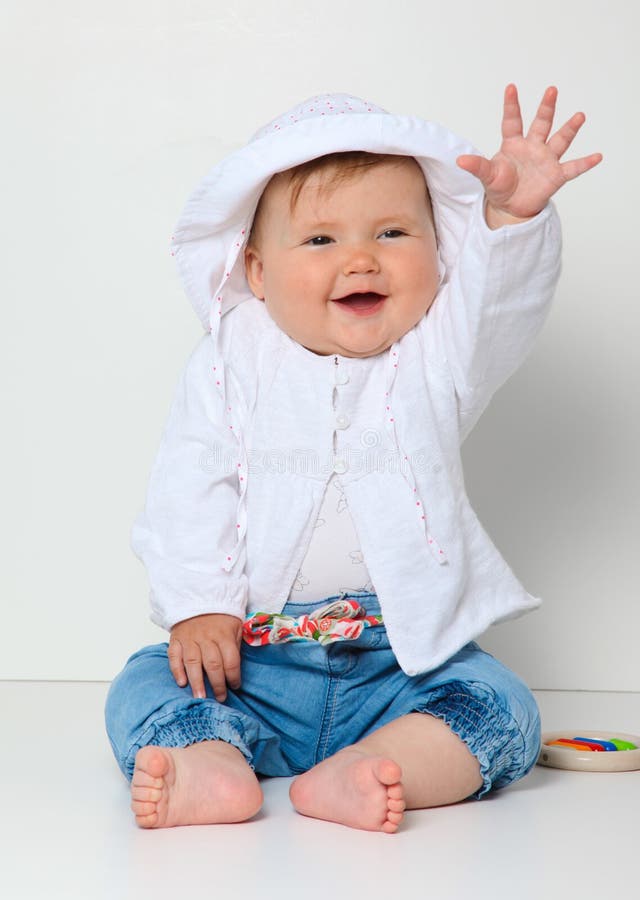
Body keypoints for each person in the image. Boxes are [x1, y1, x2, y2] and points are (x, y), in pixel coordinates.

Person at [105, 85, 601, 833]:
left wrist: (514, 220)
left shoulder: (439, 355)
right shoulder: (232, 360)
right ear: (258, 273)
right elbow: (189, 480)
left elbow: (497, 308)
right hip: (250, 661)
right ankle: (211, 762)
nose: (362, 258)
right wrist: (199, 605)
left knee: (505, 706)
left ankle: (379, 766)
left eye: (395, 233)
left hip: (402, 663)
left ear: (441, 254)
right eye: (320, 240)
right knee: (144, 682)